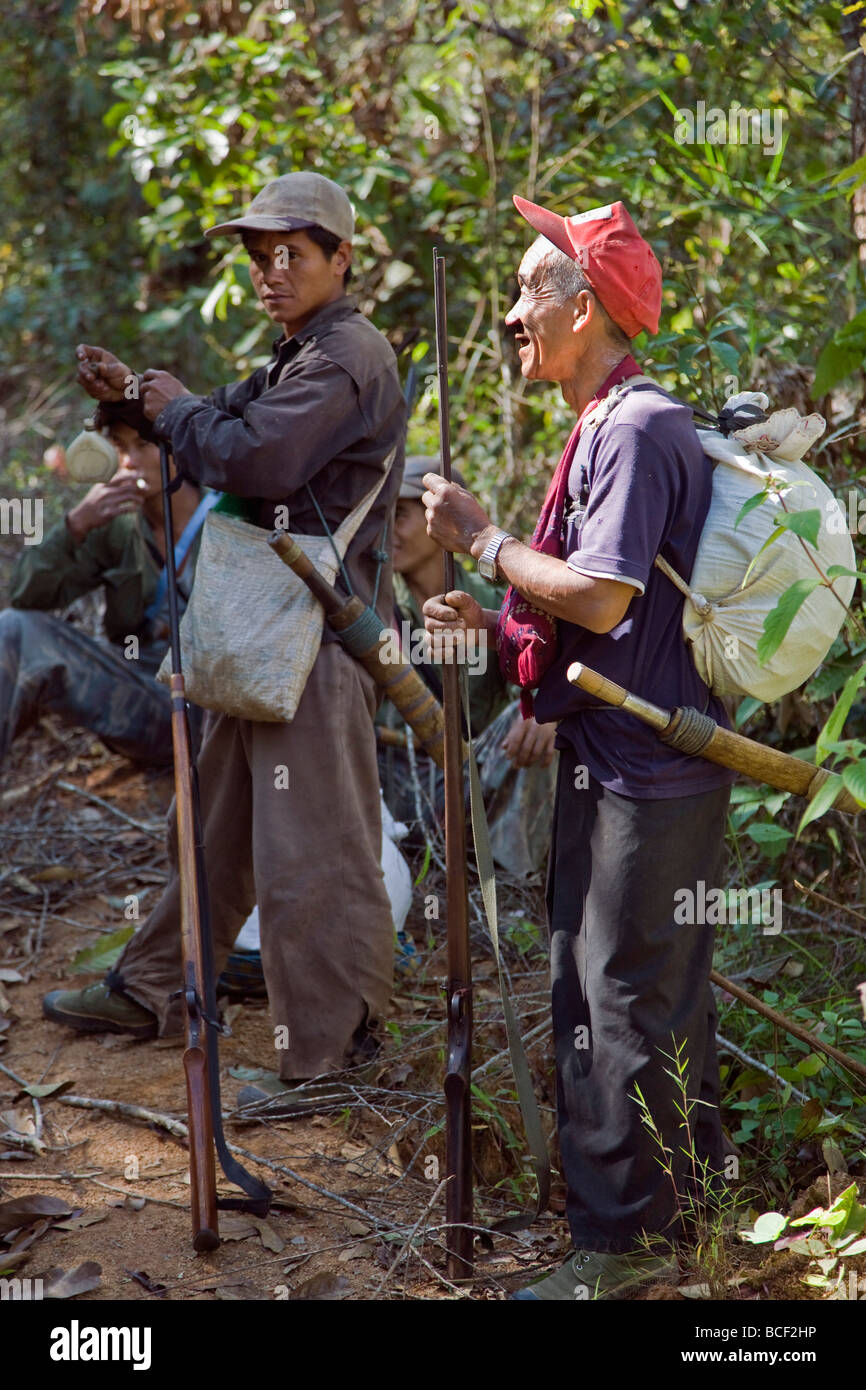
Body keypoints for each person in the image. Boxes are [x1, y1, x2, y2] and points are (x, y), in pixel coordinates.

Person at [421, 197, 735, 1300]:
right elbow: (585, 609)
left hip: (644, 780)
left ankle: (618, 1255)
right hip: (626, 765)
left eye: (529, 292)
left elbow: (601, 599)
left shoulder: (637, 425)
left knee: (616, 1007)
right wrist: (497, 617)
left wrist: (481, 537)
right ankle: (675, 1227)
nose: (513, 315)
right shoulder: (606, 422)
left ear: (587, 304)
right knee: (632, 998)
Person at [43, 173, 407, 1104]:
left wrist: (166, 408)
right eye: (260, 258)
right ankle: (154, 986)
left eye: (292, 253)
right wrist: (138, 392)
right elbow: (223, 419)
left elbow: (258, 454)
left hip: (320, 641)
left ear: (341, 259)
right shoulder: (300, 352)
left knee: (312, 858)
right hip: (266, 632)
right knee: (215, 830)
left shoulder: (347, 355)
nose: (271, 272)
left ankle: (327, 1062)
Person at [379, 453, 556, 876]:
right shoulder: (377, 606)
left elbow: (528, 677)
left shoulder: (494, 600)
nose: (389, 532)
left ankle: (509, 882)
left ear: (441, 522)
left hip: (477, 775)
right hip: (397, 779)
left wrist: (546, 715)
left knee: (542, 714)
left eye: (402, 516)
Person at [1, 407, 206, 769]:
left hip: (214, 718)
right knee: (16, 630)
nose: (128, 461)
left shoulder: (232, 515)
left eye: (144, 445)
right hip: (143, 702)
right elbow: (26, 596)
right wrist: (76, 524)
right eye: (119, 446)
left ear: (180, 446)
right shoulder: (117, 525)